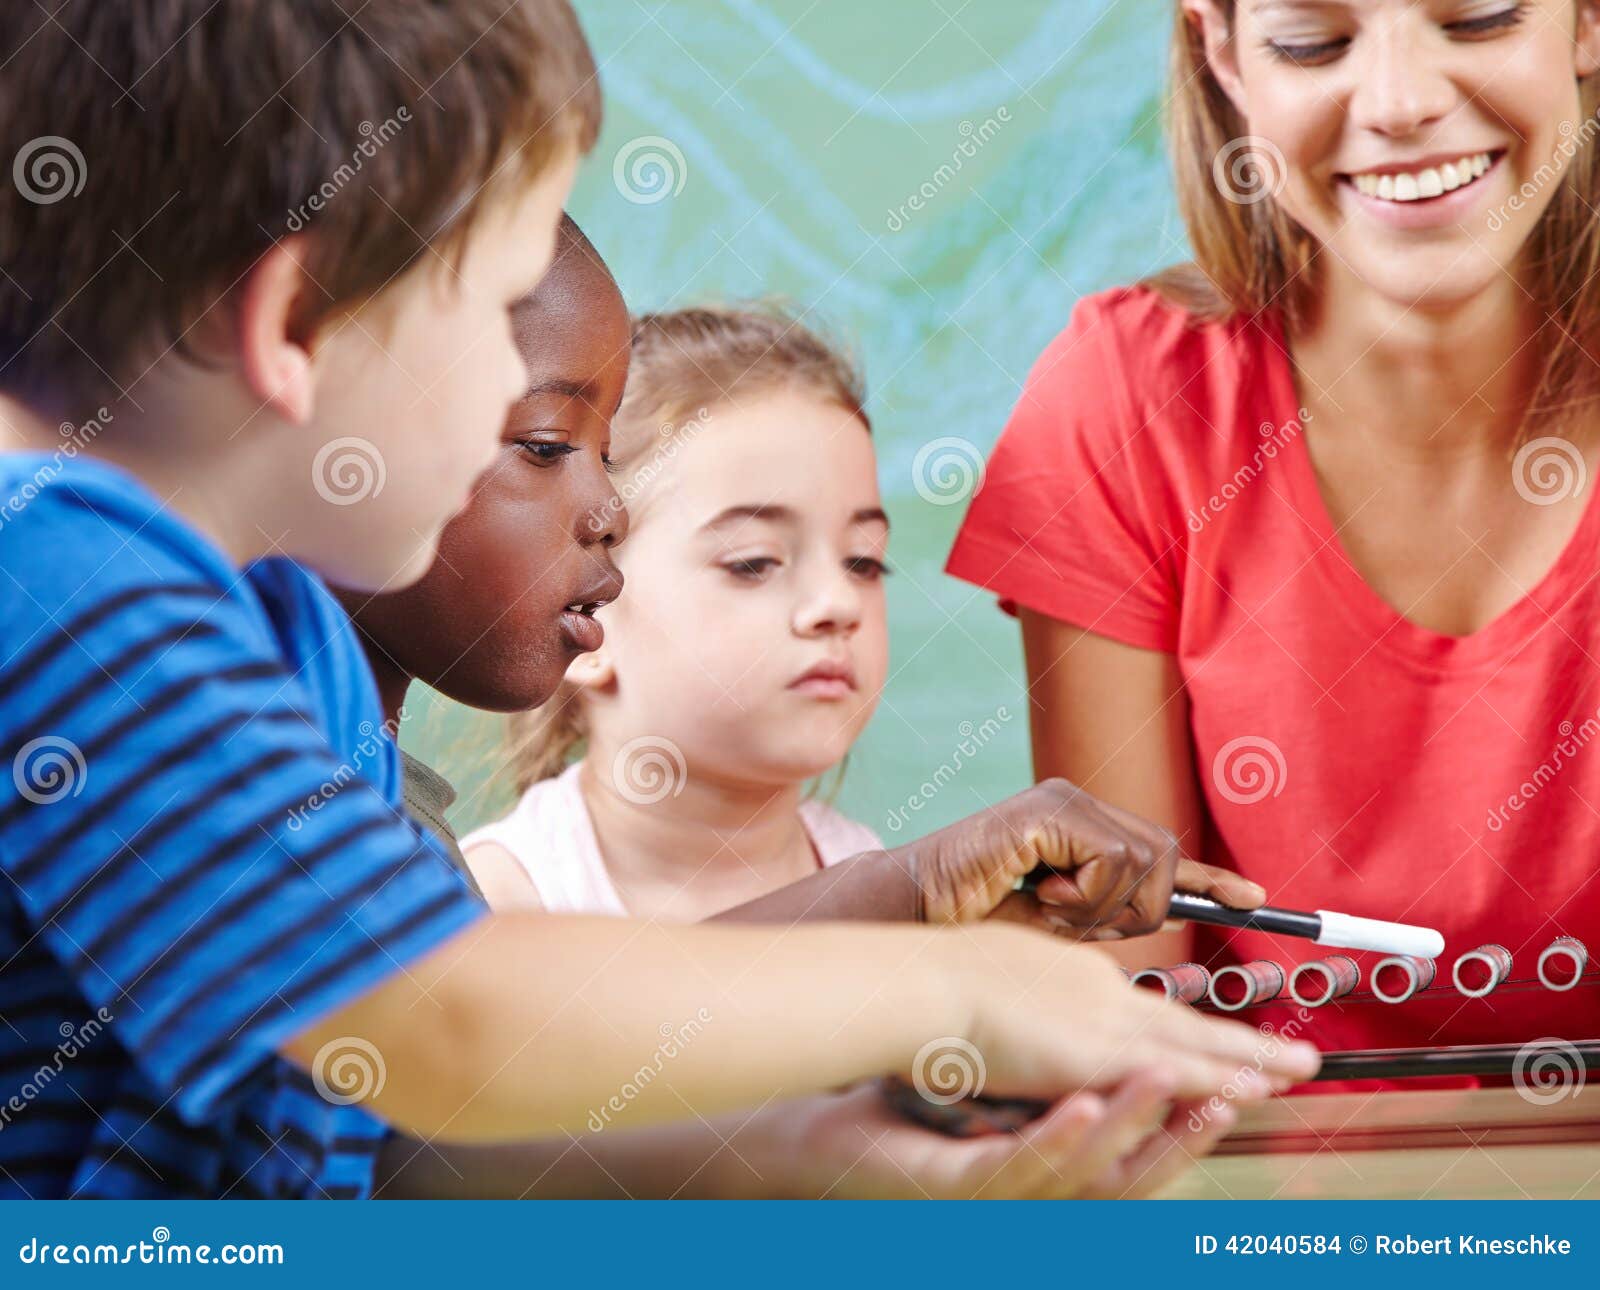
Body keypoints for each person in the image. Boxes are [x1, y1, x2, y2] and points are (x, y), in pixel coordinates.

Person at [0, 0, 1314, 1199]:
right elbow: (449, 1020)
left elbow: (404, 1142)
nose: (603, 491)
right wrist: (956, 992)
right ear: (294, 326)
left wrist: (824, 1164)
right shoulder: (60, 585)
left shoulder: (291, 641)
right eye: (493, 310)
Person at [947, 0, 1600, 1053]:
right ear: (1221, 50)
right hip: (1248, 1154)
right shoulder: (1126, 400)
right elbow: (1126, 1001)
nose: (1399, 102)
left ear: (1585, 24)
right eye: (1312, 41)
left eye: (1477, 18)